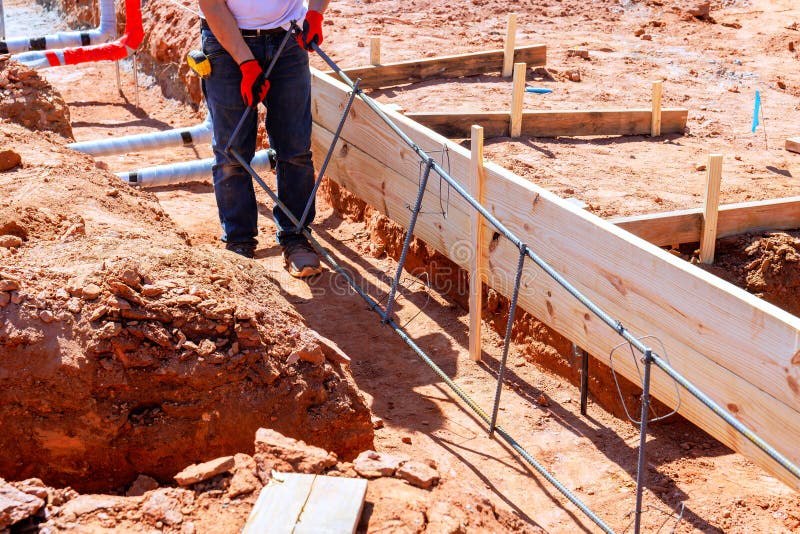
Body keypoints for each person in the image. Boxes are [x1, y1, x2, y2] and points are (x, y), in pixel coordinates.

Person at [198, 0, 329, 278]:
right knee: (231, 154)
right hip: (226, 44)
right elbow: (211, 4)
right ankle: (239, 243)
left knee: (295, 149)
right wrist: (246, 62)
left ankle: (296, 236)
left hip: (287, 40)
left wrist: (315, 12)